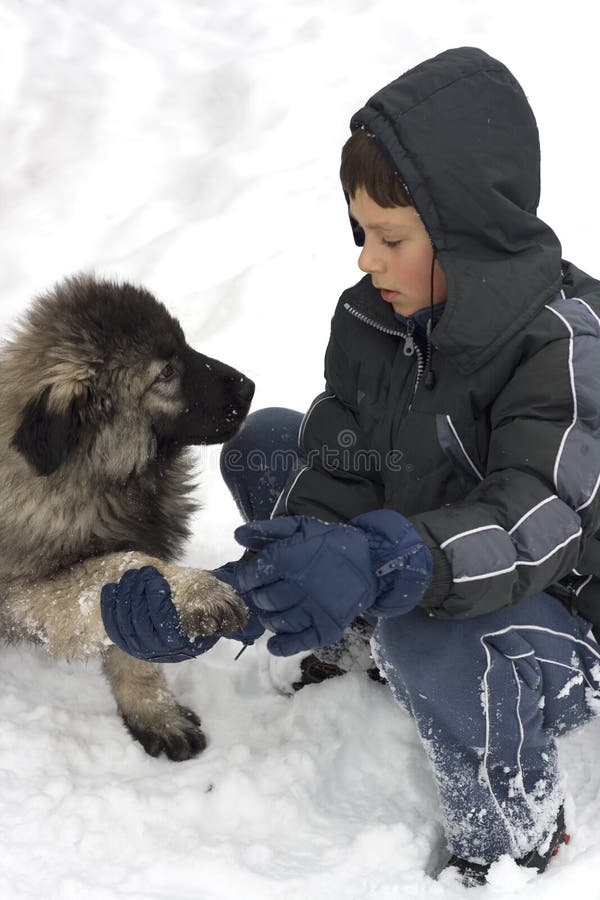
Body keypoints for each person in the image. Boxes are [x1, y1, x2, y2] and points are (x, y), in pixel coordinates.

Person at [100, 47, 600, 885]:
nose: (367, 258)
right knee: (268, 444)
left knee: (428, 631)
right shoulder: (373, 318)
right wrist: (222, 600)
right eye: (360, 231)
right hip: (414, 557)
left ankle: (512, 831)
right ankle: (352, 631)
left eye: (391, 237)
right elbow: (336, 467)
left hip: (554, 624)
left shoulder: (567, 347)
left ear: (470, 233)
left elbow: (531, 523)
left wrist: (384, 558)